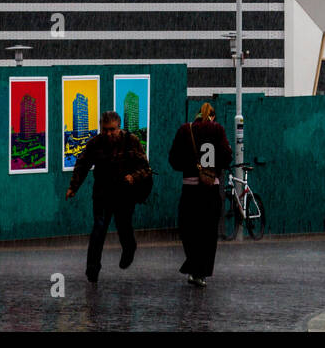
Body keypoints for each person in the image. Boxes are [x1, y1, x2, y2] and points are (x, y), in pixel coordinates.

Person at [65, 110, 150, 285]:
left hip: (124, 193)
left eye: (112, 129)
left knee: (123, 226)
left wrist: (133, 177)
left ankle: (129, 248)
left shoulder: (131, 141)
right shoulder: (96, 143)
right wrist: (73, 187)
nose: (109, 133)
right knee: (99, 228)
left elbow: (145, 167)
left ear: (119, 127)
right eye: (105, 130)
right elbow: (82, 164)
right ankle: (92, 268)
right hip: (102, 192)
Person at [168, 103, 232, 288]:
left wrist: (190, 165)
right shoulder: (218, 129)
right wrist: (214, 166)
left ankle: (193, 266)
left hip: (190, 189)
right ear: (213, 116)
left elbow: (173, 160)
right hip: (211, 189)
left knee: (188, 230)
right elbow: (227, 157)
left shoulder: (185, 130)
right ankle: (201, 272)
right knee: (208, 233)